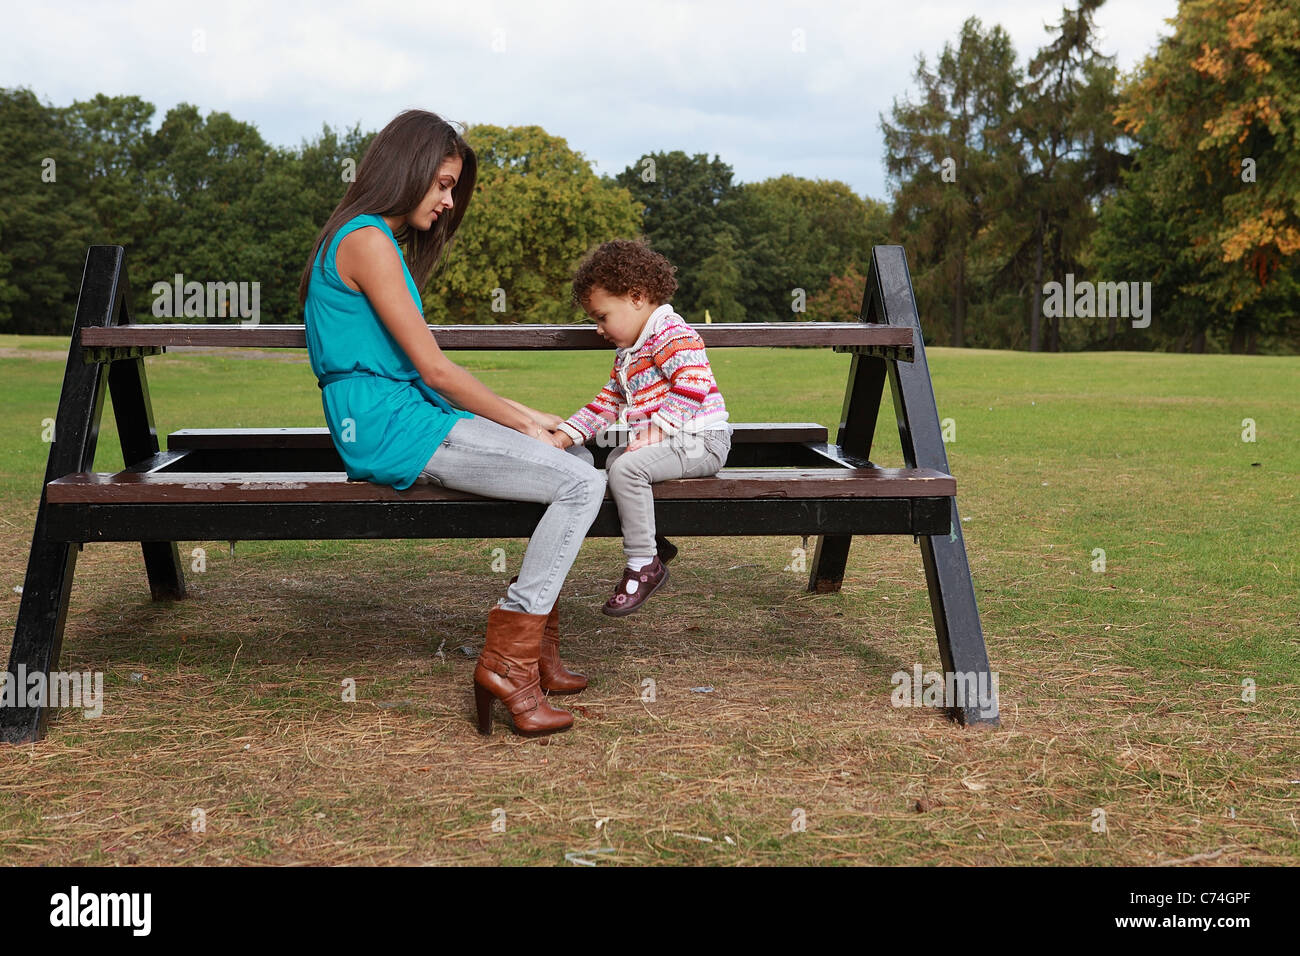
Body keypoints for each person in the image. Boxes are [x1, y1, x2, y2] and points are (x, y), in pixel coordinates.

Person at [298, 109, 605, 738]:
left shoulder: (373, 240)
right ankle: (507, 660)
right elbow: (434, 370)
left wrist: (528, 417)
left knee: (574, 461)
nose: (446, 201)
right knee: (582, 484)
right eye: (441, 184)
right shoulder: (367, 240)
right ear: (402, 169)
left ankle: (537, 648)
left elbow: (429, 374)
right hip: (391, 424)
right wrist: (520, 423)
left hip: (412, 414)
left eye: (452, 189)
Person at [553, 240, 732, 616]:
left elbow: (693, 381)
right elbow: (606, 404)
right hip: (677, 440)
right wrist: (565, 435)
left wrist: (657, 430)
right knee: (617, 461)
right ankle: (654, 544)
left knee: (628, 466)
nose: (599, 329)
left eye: (602, 317)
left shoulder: (670, 332)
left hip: (701, 441)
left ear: (636, 297)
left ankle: (643, 566)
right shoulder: (628, 354)